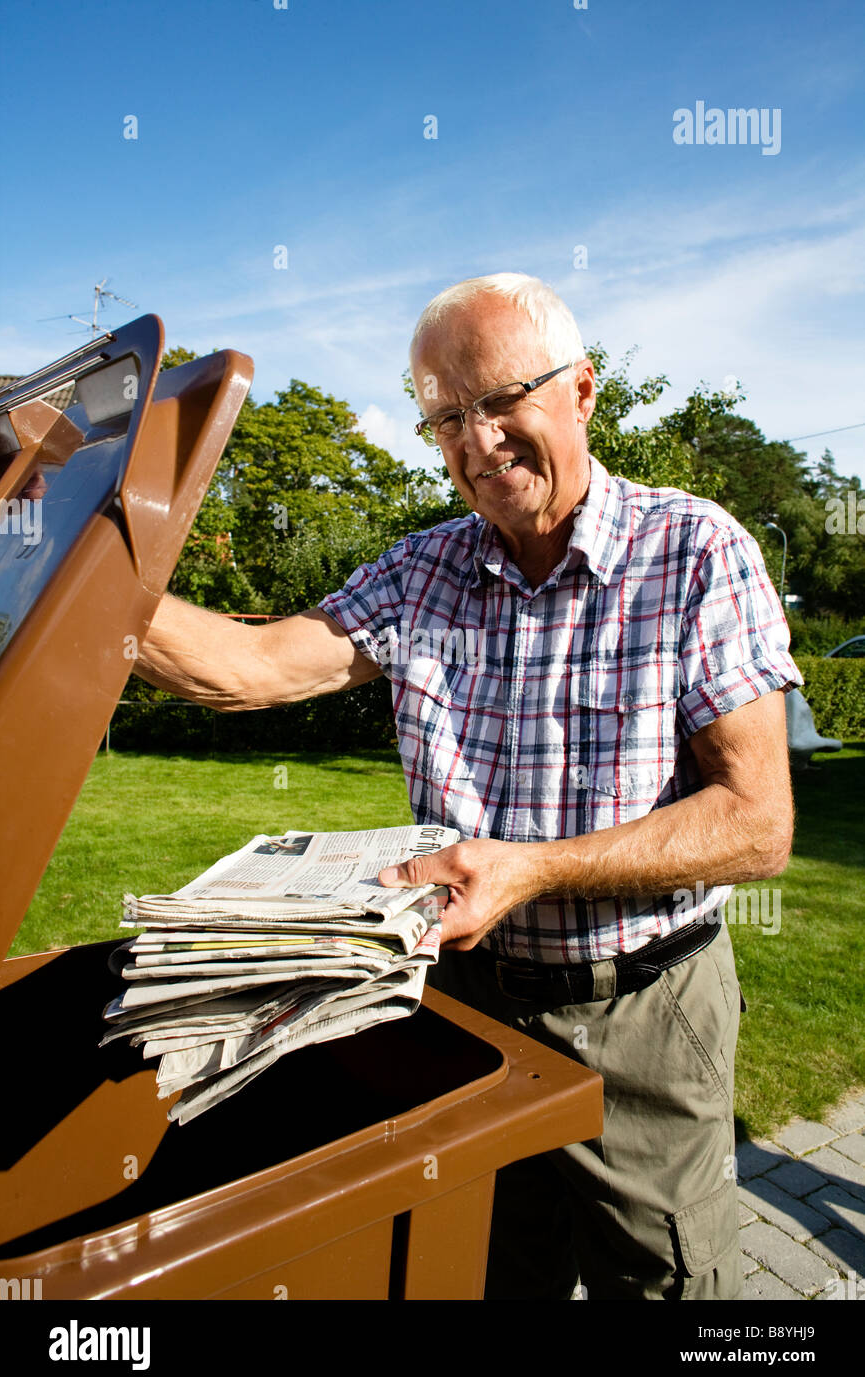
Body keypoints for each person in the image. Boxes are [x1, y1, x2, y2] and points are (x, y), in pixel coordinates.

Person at [135, 273, 801, 1301]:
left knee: (665, 1283)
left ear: (581, 392)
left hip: (640, 1015)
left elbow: (754, 826)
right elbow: (246, 668)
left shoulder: (694, 553)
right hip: (463, 1008)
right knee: (478, 1271)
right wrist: (90, 568)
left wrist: (530, 872)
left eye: (499, 401)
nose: (474, 439)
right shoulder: (418, 571)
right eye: (444, 416)